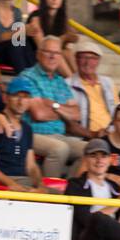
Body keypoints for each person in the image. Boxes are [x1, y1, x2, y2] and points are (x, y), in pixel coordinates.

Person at [18, 36, 85, 178]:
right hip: (33, 134)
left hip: (60, 135)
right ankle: (51, 194)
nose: (52, 56)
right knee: (60, 149)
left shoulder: (60, 81)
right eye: (48, 52)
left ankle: (69, 187)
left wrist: (53, 105)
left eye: (57, 53)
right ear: (38, 54)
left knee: (90, 149)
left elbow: (77, 114)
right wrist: (63, 110)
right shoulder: (28, 77)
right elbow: (39, 114)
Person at [0, 79, 42, 190]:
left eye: (25, 97)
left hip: (24, 181)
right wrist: (12, 184)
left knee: (59, 195)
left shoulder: (27, 128)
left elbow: (31, 165)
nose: (21, 101)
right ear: (5, 98)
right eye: (16, 96)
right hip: (3, 182)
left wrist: (41, 186)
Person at [66, 40, 117, 140]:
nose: (87, 62)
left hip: (111, 134)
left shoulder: (108, 82)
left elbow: (116, 111)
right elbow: (69, 123)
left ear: (98, 61)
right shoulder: (67, 84)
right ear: (76, 60)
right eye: (83, 57)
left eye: (93, 58)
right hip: (86, 137)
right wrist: (94, 134)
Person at [25, 0, 77, 77]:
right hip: (37, 54)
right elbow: (42, 45)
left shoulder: (61, 18)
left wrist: (65, 37)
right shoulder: (36, 17)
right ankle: (72, 82)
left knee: (67, 52)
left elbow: (75, 37)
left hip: (52, 54)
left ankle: (79, 80)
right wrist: (62, 39)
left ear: (62, 0)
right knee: (56, 53)